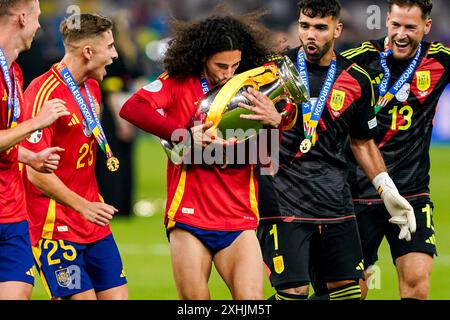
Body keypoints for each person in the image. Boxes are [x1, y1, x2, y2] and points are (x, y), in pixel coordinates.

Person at [257, 0, 415, 300]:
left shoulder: (356, 79)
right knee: (294, 291)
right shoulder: (273, 71)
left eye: (320, 27)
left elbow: (363, 142)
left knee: (349, 293)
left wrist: (386, 187)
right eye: (305, 26)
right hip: (283, 200)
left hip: (335, 201)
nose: (310, 35)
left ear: (337, 29)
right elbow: (247, 126)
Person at [120, 12, 284, 299]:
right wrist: (180, 135)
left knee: (251, 302)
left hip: (239, 216)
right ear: (202, 56)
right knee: (196, 303)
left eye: (234, 65)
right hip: (189, 219)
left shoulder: (253, 84)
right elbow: (132, 108)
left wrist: (276, 120)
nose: (228, 73)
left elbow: (277, 138)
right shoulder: (178, 82)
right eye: (221, 65)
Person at [341, 0, 446, 299]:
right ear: (386, 21)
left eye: (411, 27)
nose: (401, 34)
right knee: (352, 290)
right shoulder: (357, 60)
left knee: (417, 283)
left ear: (426, 27)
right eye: (396, 25)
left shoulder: (440, 60)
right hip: (359, 192)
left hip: (412, 191)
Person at [21, 13, 128, 300]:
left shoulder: (92, 86)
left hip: (93, 221)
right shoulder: (42, 93)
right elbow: (34, 172)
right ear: (88, 52)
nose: (115, 55)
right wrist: (83, 206)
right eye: (110, 47)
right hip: (54, 227)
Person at [0, 0, 69, 300]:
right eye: (38, 17)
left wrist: (30, 157)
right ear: (22, 17)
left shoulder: (13, 72)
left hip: (13, 213)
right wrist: (36, 124)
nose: (40, 26)